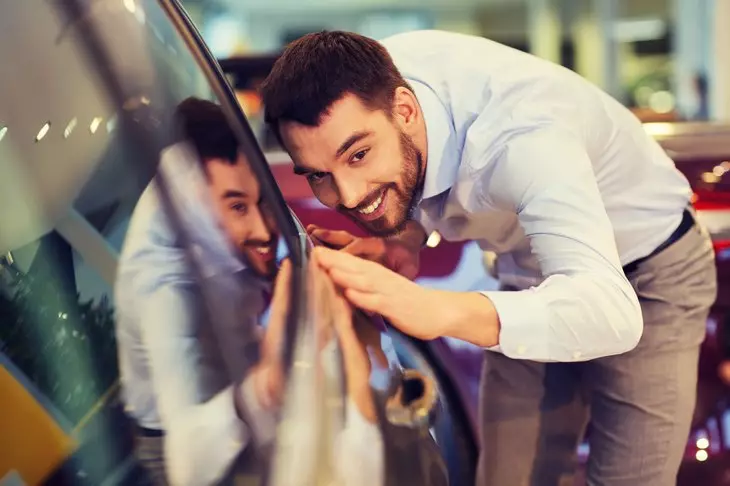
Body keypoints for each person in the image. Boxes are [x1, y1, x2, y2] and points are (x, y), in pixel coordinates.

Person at [260, 30, 719, 485]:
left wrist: (436, 309)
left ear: (405, 109)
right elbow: (425, 164)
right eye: (319, 175)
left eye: (358, 155)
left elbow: (611, 311)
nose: (348, 195)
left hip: (650, 272)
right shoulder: (371, 77)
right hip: (529, 275)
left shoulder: (522, 138)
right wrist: (406, 239)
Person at [115, 98, 386, 485]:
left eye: (263, 201)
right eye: (239, 208)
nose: (263, 229)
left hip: (242, 378)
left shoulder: (220, 173)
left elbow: (288, 247)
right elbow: (187, 462)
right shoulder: (166, 292)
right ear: (193, 196)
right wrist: (268, 383)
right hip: (193, 444)